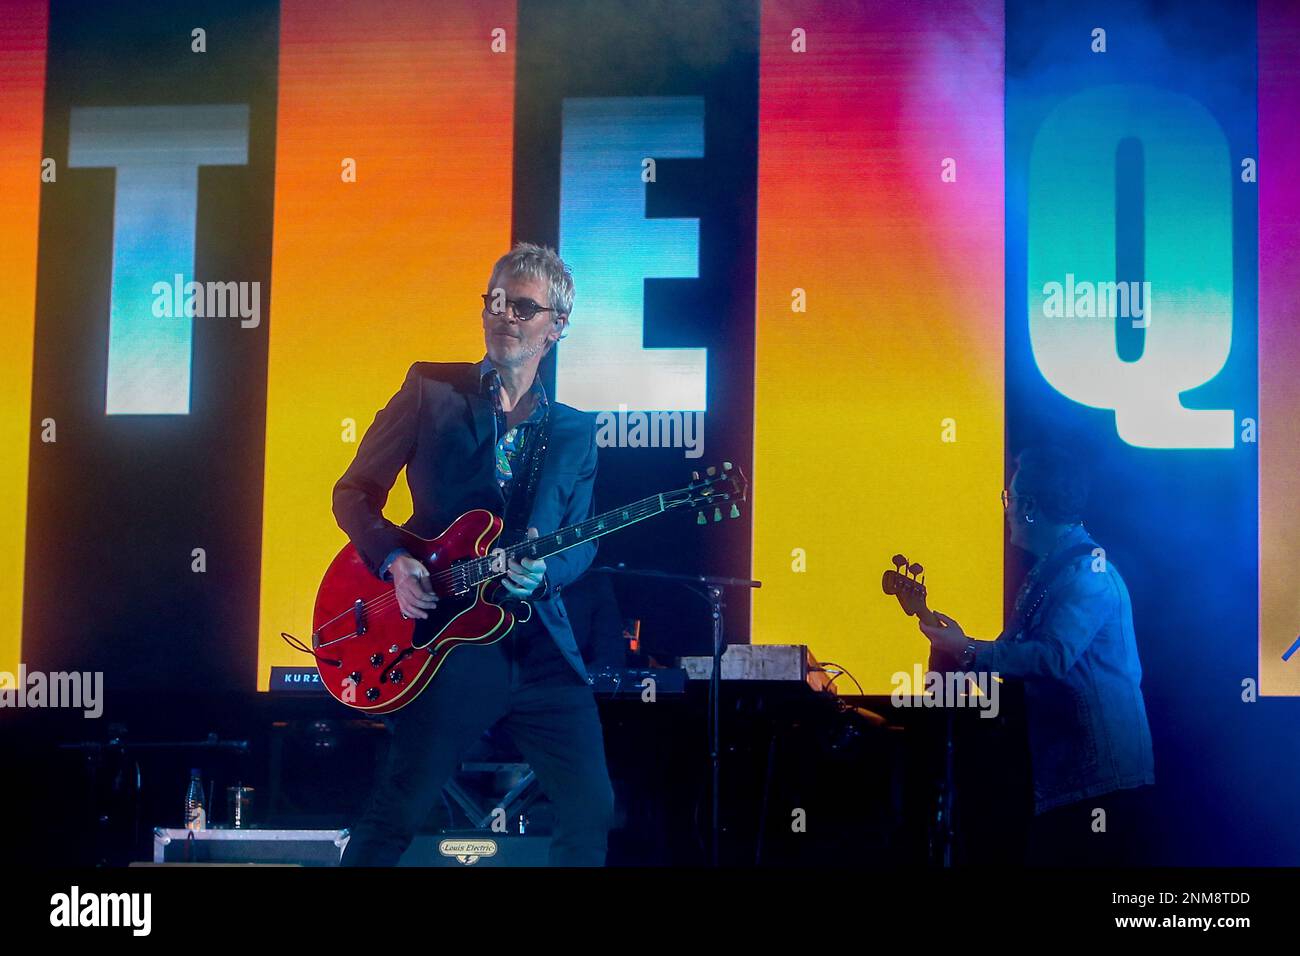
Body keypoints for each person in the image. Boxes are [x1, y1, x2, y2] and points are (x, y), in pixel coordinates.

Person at [332, 242, 614, 866]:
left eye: (523, 307)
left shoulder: (574, 431)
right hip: (447, 637)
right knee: (399, 808)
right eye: (495, 301)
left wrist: (544, 572)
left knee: (591, 808)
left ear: (557, 325)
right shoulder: (431, 390)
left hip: (539, 647)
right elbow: (352, 493)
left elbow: (583, 540)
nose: (504, 315)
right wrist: (394, 560)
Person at [918, 445, 1155, 865]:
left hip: (1100, 784)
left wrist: (966, 648)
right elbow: (1011, 657)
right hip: (1067, 780)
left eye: (1008, 499)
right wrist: (959, 644)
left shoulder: (1088, 574)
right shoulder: (1048, 573)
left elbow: (1050, 658)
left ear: (1029, 507)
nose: (1006, 510)